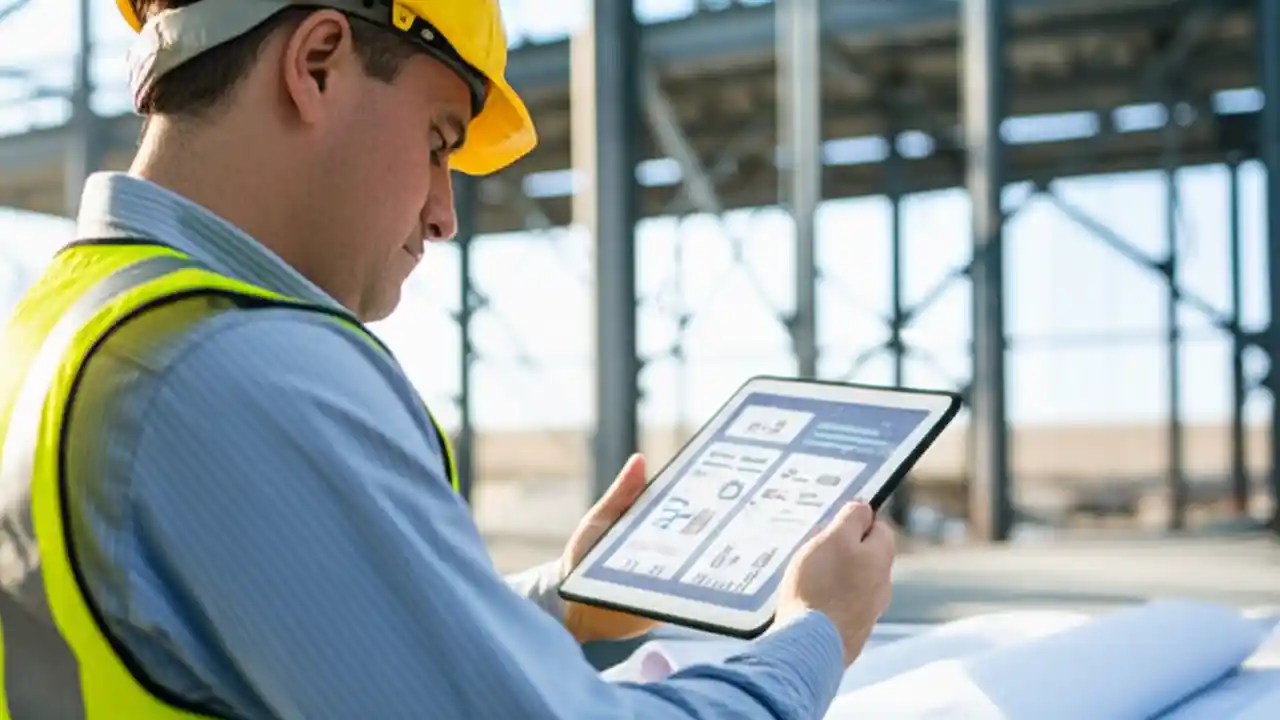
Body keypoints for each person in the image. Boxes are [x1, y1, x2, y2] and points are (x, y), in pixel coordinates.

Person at [0, 1, 896, 718]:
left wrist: (555, 607)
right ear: (315, 64)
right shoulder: (234, 367)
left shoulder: (72, 323)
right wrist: (812, 635)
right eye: (438, 143)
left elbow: (266, 627)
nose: (444, 214)